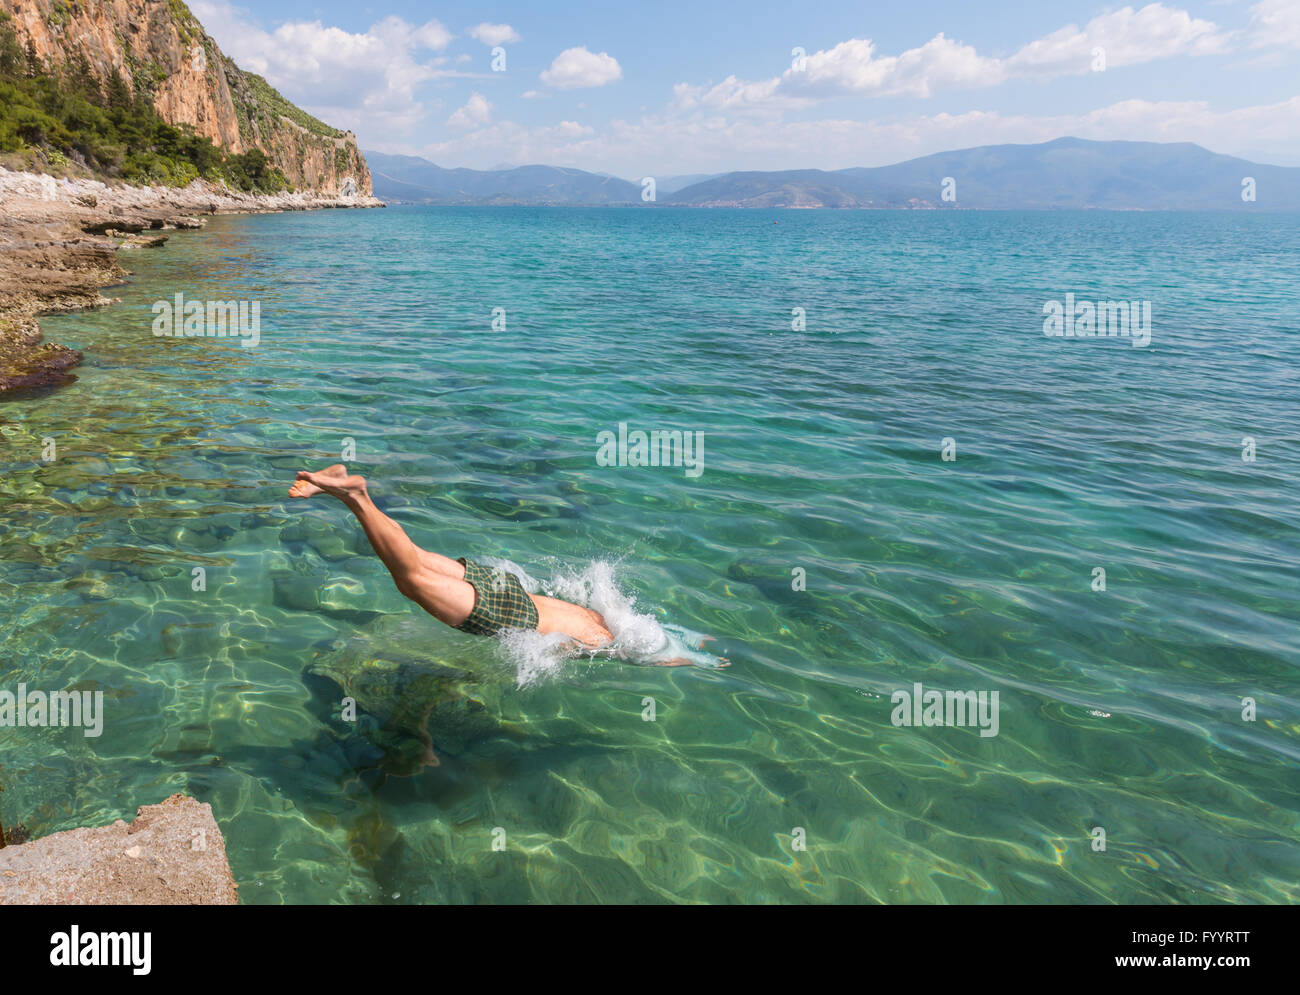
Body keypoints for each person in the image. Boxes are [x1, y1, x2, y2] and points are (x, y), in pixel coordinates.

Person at [288, 466, 727, 668]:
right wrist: (685, 659)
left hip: (509, 589)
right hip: (507, 614)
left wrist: (687, 643)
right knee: (411, 579)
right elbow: (645, 653)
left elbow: (657, 637)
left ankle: (349, 490)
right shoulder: (608, 643)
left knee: (417, 558)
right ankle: (355, 495)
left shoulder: (598, 612)